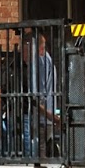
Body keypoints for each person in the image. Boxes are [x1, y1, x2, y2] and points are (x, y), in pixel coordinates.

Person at [27, 27, 58, 157]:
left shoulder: (41, 61)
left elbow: (39, 93)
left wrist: (49, 115)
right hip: (47, 115)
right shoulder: (47, 60)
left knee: (39, 152)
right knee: (42, 149)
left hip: (42, 117)